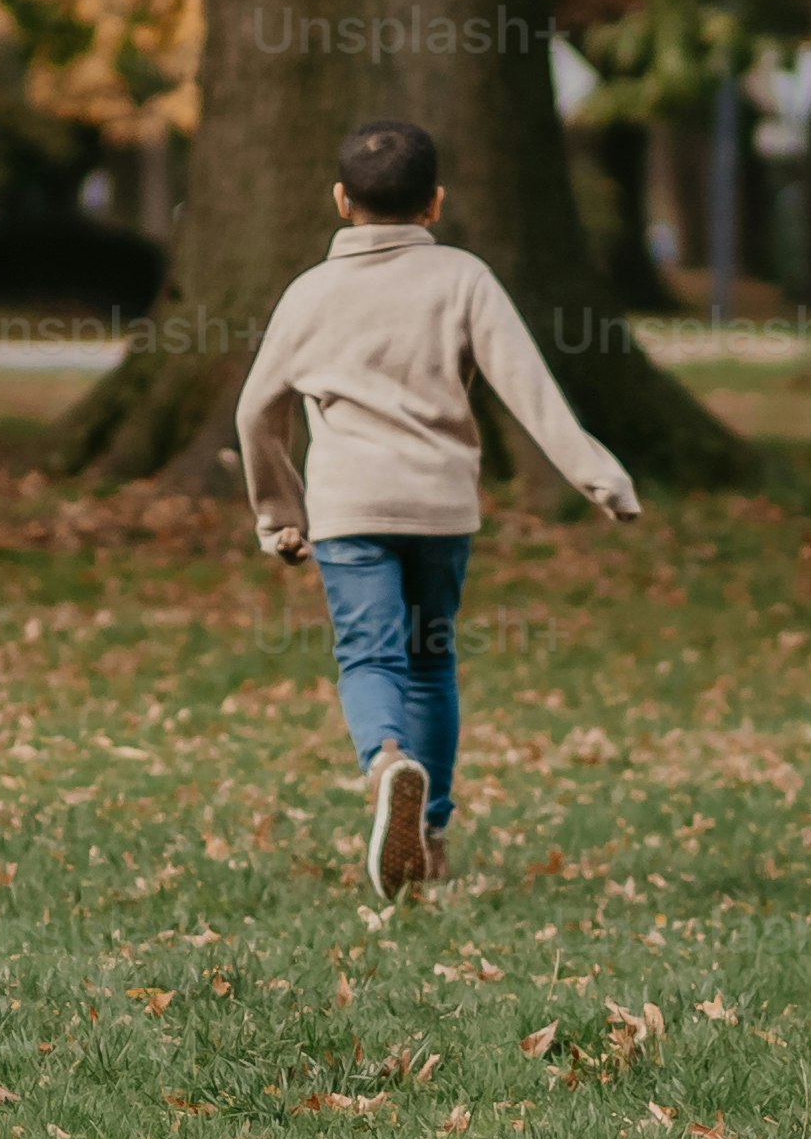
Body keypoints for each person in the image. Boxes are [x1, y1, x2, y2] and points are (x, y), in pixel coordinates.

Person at [230, 116, 651, 905]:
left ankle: (388, 763)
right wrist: (599, 475)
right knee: (431, 662)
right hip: (440, 508)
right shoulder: (463, 278)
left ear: (338, 200)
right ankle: (430, 840)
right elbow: (527, 386)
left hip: (350, 505)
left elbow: (257, 410)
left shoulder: (309, 293)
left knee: (369, 657)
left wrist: (278, 511)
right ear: (434, 203)